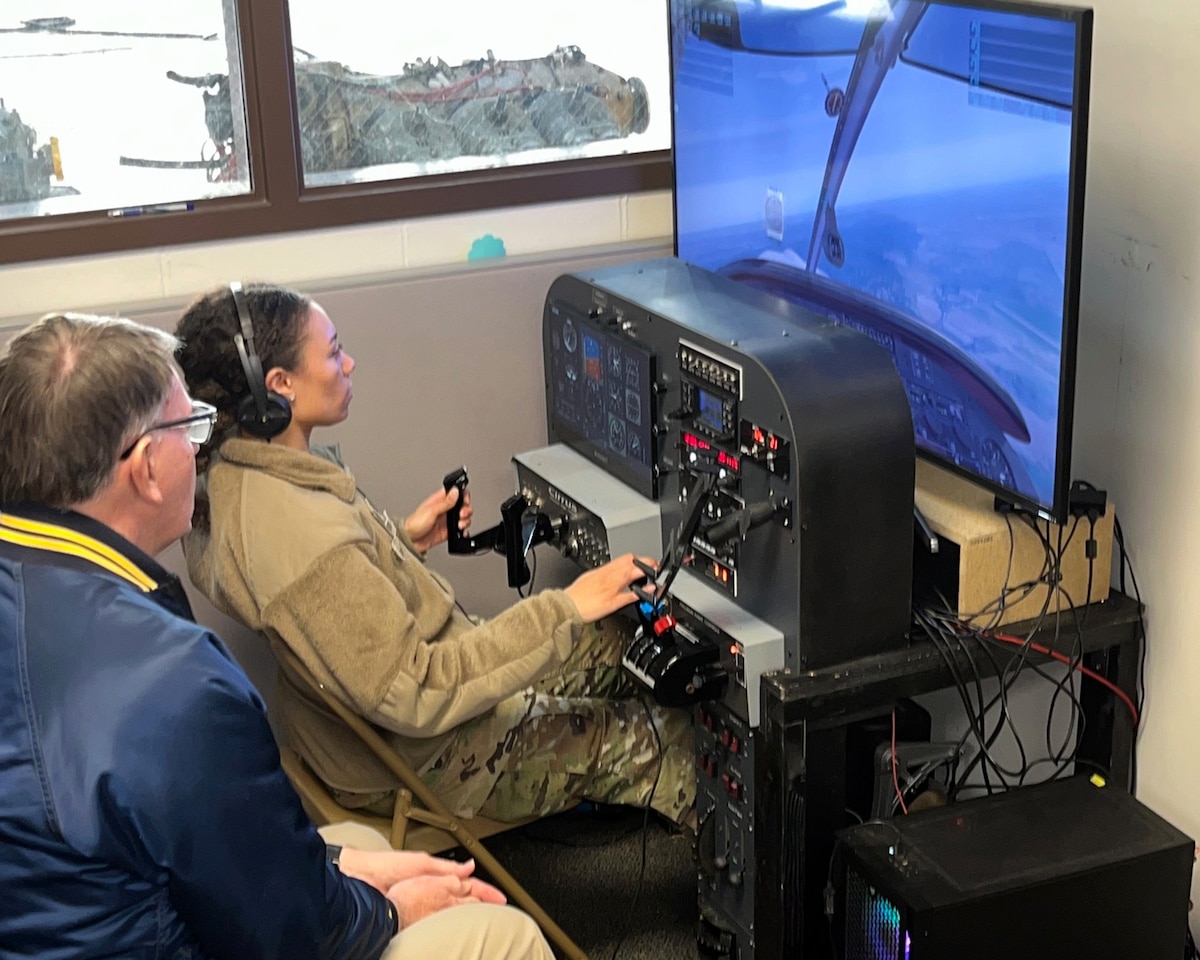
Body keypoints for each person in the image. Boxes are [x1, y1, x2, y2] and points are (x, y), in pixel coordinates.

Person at [0, 312, 553, 960]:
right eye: (190, 429)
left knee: (363, 848)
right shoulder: (171, 683)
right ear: (148, 468)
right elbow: (299, 936)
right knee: (501, 934)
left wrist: (345, 871)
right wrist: (390, 906)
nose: (201, 449)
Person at [175, 283, 696, 827]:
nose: (348, 363)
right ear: (278, 386)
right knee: (670, 738)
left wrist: (403, 541)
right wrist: (564, 607)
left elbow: (343, 610)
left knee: (623, 643)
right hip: (433, 756)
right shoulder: (305, 539)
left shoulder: (242, 480)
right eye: (331, 352)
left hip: (372, 730)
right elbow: (418, 691)